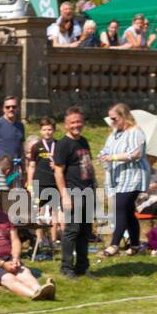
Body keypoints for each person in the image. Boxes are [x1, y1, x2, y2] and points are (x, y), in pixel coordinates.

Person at [0, 190, 56, 299]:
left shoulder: (5, 217)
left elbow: (15, 240)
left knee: (25, 272)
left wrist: (16, 258)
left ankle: (39, 289)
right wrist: (2, 264)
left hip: (8, 258)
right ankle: (33, 295)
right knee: (8, 278)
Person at [98, 103, 150, 258]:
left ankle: (114, 245)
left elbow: (136, 154)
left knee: (119, 207)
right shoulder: (114, 133)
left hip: (133, 176)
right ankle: (135, 245)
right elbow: (106, 150)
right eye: (110, 119)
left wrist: (113, 157)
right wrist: (103, 155)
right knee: (127, 212)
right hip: (118, 176)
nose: (112, 122)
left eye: (114, 118)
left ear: (123, 116)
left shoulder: (135, 131)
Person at [53, 106, 97, 278]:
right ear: (66, 125)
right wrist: (64, 195)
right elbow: (58, 171)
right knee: (71, 231)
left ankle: (82, 267)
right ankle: (66, 267)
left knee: (85, 232)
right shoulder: (63, 144)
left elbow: (87, 165)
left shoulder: (83, 141)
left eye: (78, 121)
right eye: (72, 122)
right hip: (73, 193)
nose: (76, 125)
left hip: (88, 192)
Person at [25, 117, 60, 250]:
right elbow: (31, 166)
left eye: (50, 129)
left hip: (54, 182)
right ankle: (40, 239)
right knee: (38, 211)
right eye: (44, 129)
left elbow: (63, 164)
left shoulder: (59, 144)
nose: (47, 132)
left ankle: (54, 239)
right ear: (40, 131)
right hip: (39, 183)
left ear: (54, 130)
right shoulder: (36, 147)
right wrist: (29, 183)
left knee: (54, 212)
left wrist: (56, 165)